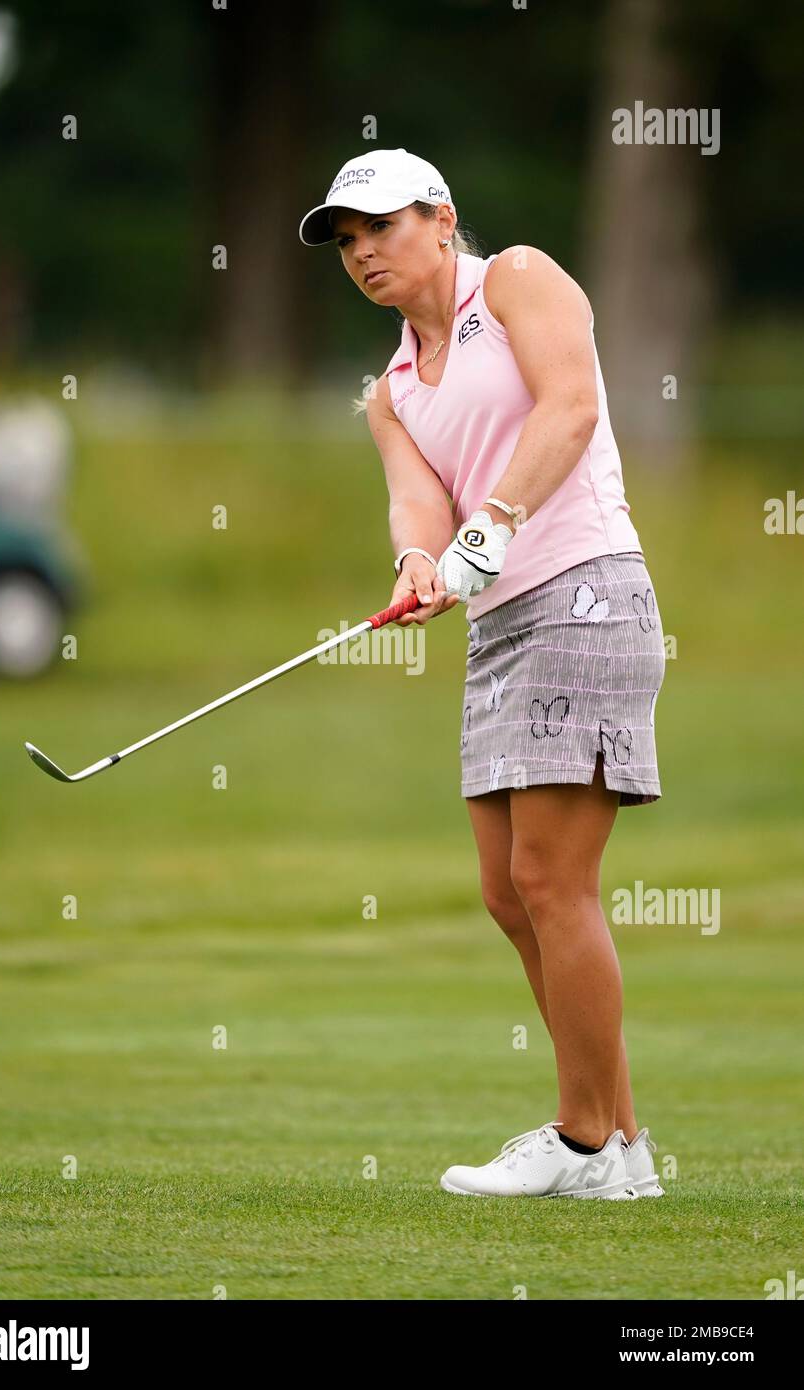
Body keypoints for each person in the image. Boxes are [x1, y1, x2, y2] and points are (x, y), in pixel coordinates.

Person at [299, 148, 666, 1200]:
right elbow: (416, 500)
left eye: (381, 226)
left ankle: (583, 1141)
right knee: (510, 894)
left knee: (554, 880)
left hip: (584, 589)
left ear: (441, 218)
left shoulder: (514, 279)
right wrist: (422, 558)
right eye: (347, 239)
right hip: (499, 622)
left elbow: (570, 408)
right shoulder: (389, 390)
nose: (363, 251)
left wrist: (492, 525)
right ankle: (622, 1149)